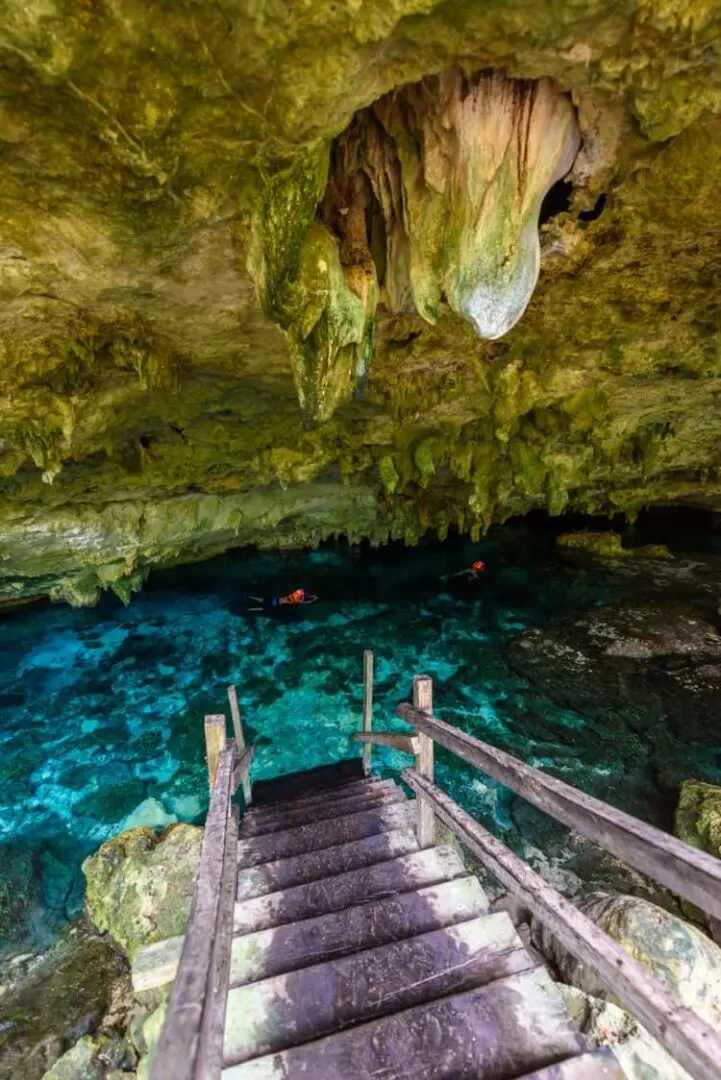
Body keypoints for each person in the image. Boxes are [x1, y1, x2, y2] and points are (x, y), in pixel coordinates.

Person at [243, 587, 318, 612]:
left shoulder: (295, 593)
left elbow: (303, 593)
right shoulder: (296, 600)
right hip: (274, 604)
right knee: (262, 607)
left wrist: (311, 596)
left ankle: (250, 597)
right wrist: (313, 599)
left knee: (261, 600)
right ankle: (251, 609)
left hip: (274, 600)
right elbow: (306, 602)